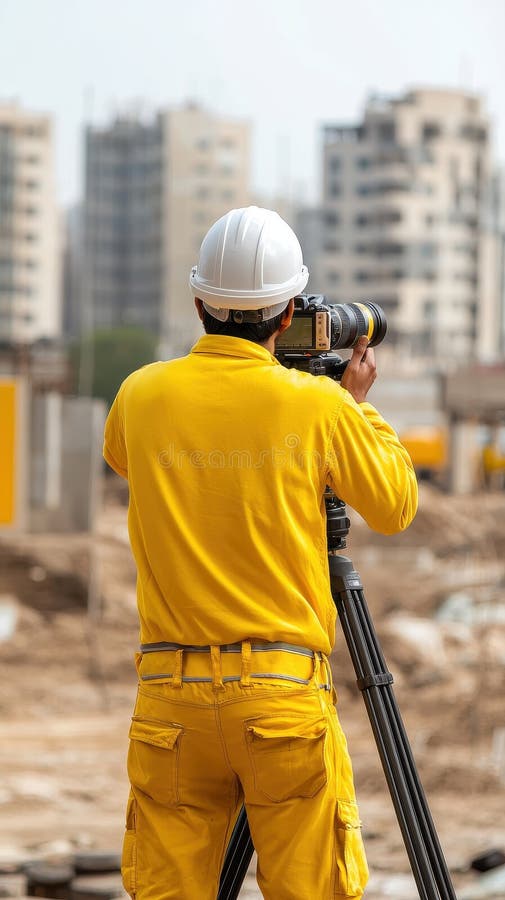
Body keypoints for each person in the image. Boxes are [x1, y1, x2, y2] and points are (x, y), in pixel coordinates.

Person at [103, 206, 418, 900]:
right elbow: (394, 505)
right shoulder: (316, 405)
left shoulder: (139, 394)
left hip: (170, 702)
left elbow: (131, 460)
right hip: (280, 699)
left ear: (197, 303)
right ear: (286, 316)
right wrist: (355, 402)